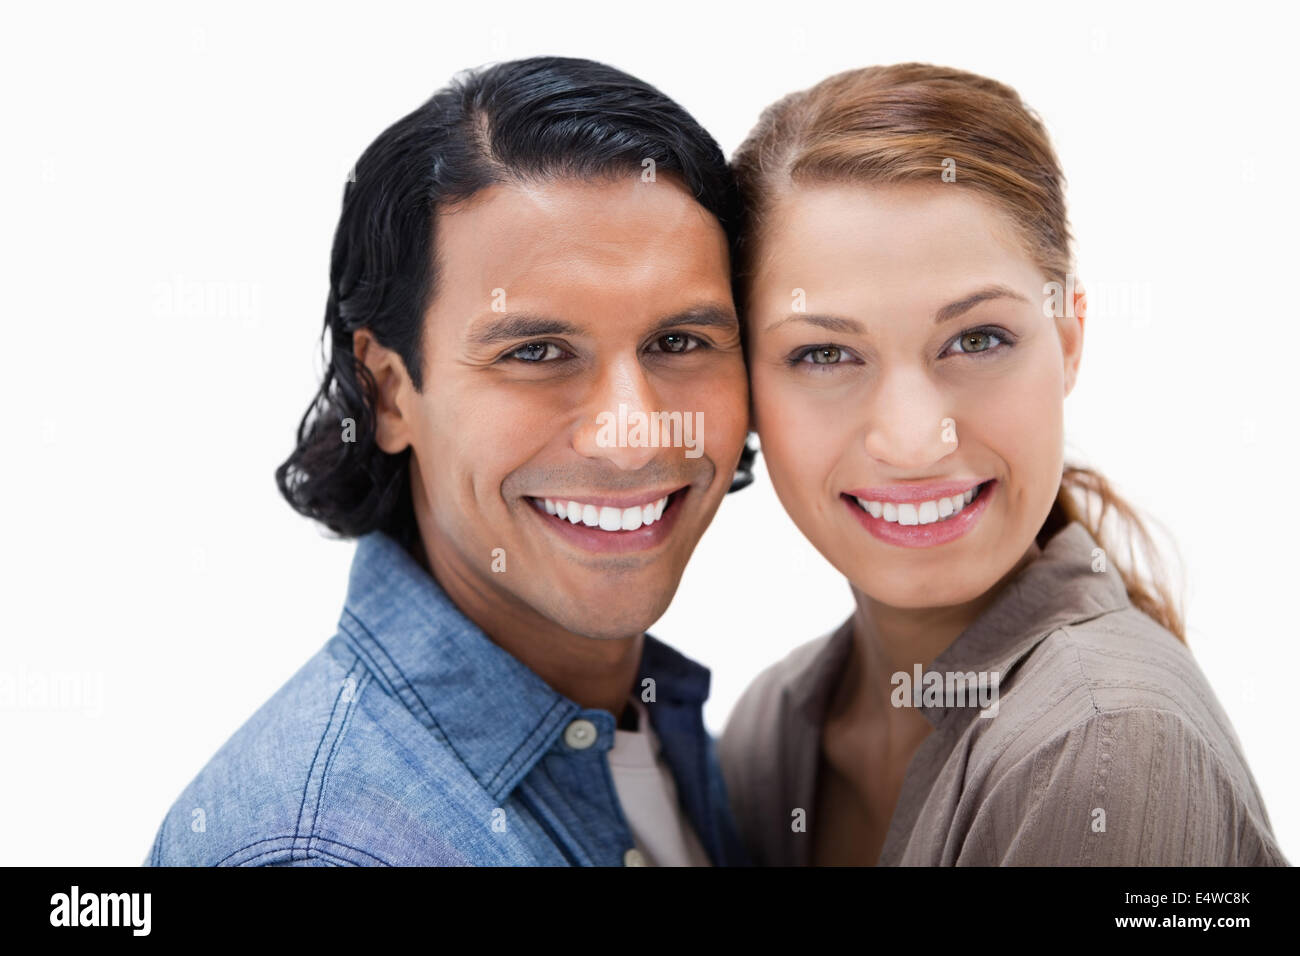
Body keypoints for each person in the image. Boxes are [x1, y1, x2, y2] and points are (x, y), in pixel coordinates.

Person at [144, 56, 755, 867]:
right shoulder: (327, 851)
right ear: (389, 394)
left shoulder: (664, 740)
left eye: (678, 342)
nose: (634, 435)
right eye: (537, 351)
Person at [718, 63, 1288, 866]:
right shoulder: (768, 733)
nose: (915, 440)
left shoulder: (1106, 747)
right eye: (823, 353)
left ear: (1066, 343)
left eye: (977, 339)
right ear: (743, 388)